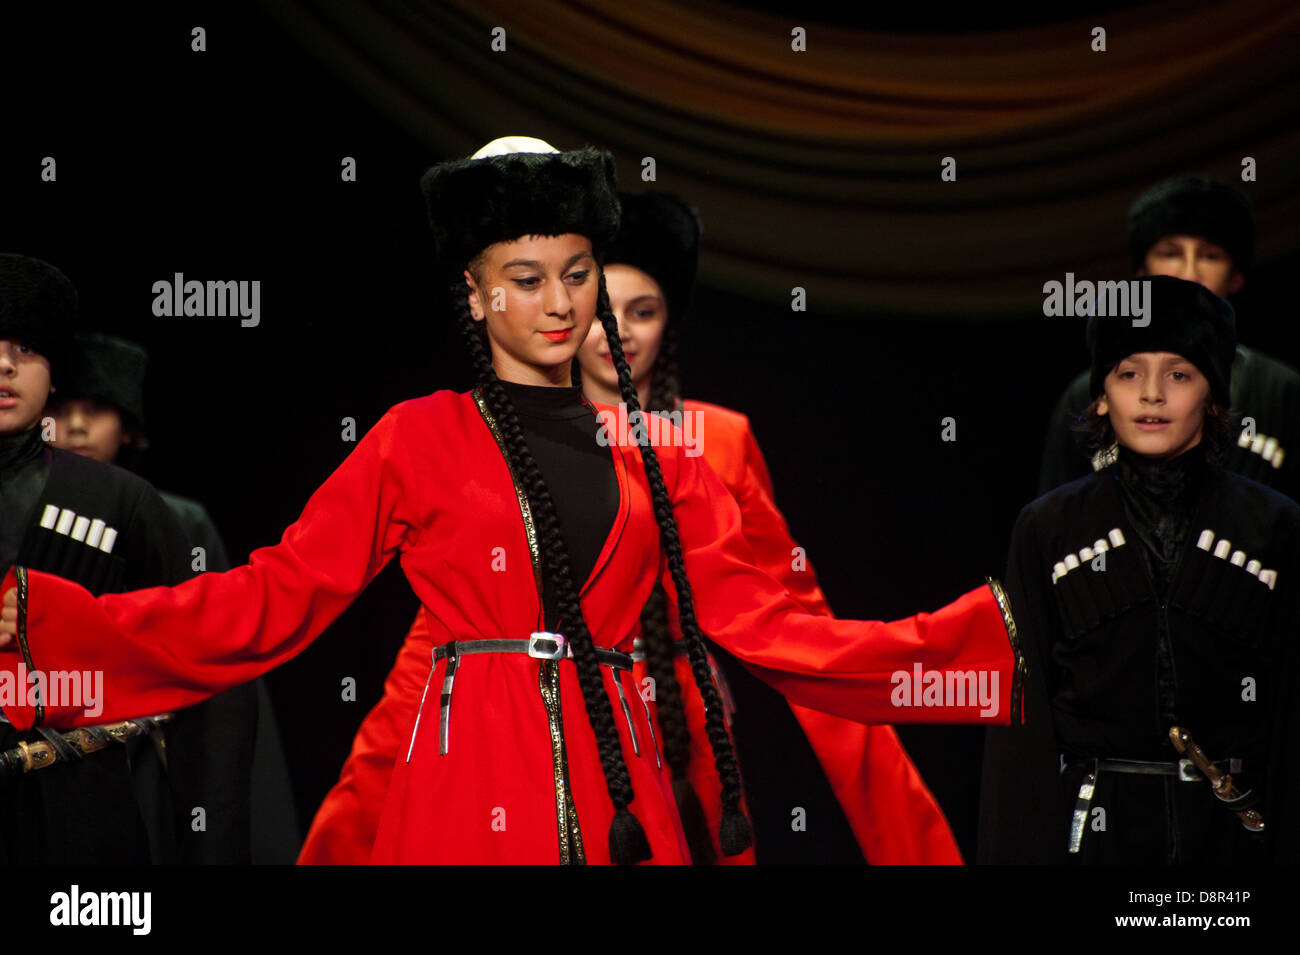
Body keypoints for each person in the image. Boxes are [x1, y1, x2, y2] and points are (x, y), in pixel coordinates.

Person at [0, 139, 1023, 865]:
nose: (560, 301)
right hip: (464, 784)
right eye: (524, 277)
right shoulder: (420, 437)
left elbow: (785, 635)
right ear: (477, 292)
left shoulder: (663, 460)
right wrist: (60, 631)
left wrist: (982, 639)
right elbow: (271, 598)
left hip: (632, 797)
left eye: (575, 273)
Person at [298, 191, 961, 865]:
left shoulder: (716, 442)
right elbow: (425, 666)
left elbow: (794, 620)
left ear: (668, 320)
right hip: (551, 722)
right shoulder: (516, 442)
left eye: (644, 311)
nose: (624, 332)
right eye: (606, 311)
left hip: (685, 728)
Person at [980, 275, 1299, 864]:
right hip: (1097, 838)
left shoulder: (1275, 528)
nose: (1152, 394)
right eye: (1129, 373)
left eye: (1178, 374)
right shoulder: (1048, 529)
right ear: (1101, 394)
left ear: (1214, 393)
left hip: (1230, 842)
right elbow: (1020, 726)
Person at [44, 331, 301, 864]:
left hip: (141, 759)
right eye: (60, 409)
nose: (74, 426)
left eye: (95, 409)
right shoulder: (22, 517)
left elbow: (220, 658)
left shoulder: (176, 521)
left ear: (128, 427)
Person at [0, 254, 187, 864]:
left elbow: (186, 647)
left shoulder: (119, 500)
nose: (5, 364)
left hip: (80, 811)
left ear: (55, 375)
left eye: (27, 348)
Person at [1037, 176, 1300, 501]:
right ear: (1141, 272)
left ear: (1236, 276)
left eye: (1210, 255)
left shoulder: (1282, 391)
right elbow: (1055, 526)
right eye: (1170, 253)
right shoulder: (1088, 392)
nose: (1190, 272)